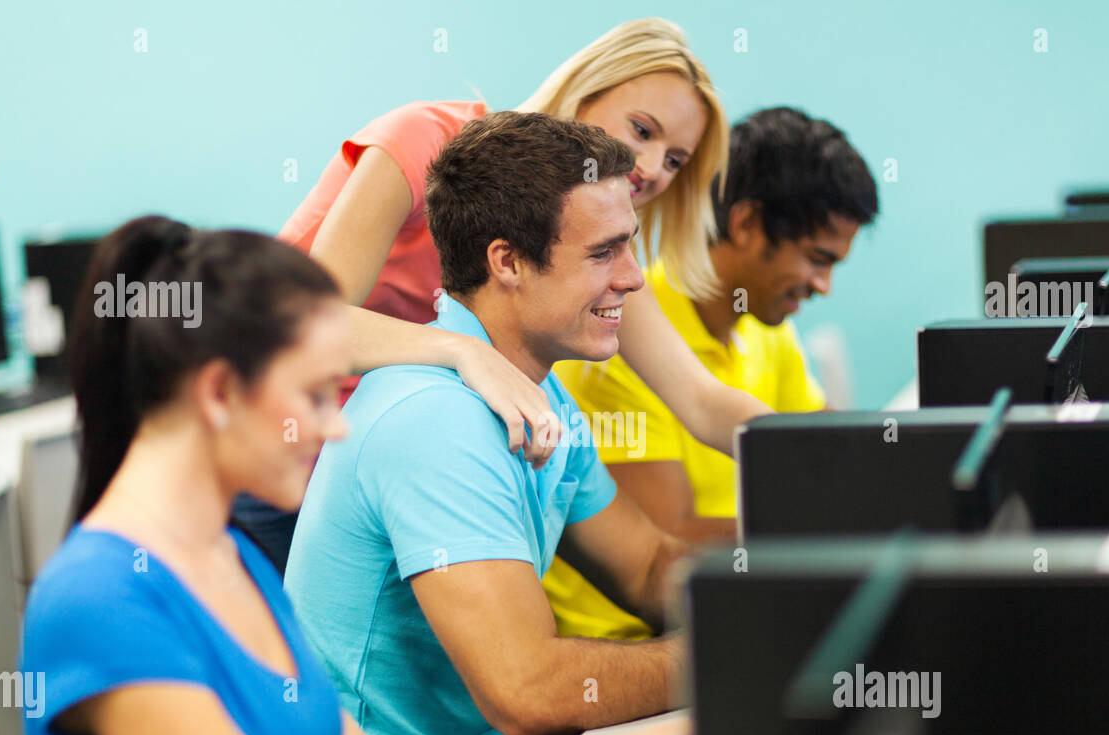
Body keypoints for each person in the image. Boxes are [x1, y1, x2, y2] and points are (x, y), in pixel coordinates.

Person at [20, 216, 691, 735]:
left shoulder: (232, 562)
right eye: (314, 396)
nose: (334, 428)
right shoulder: (102, 602)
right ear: (221, 393)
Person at [234, 17, 771, 574]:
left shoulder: (592, 250)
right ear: (583, 92)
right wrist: (464, 352)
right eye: (642, 130)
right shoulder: (425, 141)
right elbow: (304, 329)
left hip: (405, 470)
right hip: (282, 456)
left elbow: (703, 402)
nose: (653, 168)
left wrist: (827, 463)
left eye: (676, 159)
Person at [285, 113, 691, 735]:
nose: (633, 278)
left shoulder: (542, 396)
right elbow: (528, 692)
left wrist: (774, 600)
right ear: (507, 262)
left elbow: (644, 566)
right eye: (602, 252)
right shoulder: (434, 421)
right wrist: (719, 659)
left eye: (630, 247)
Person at [544, 107, 879, 641]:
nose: (824, 285)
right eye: (817, 258)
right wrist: (837, 527)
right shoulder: (615, 342)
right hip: (639, 642)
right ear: (746, 222)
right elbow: (664, 542)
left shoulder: (766, 325)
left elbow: (819, 441)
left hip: (732, 612)